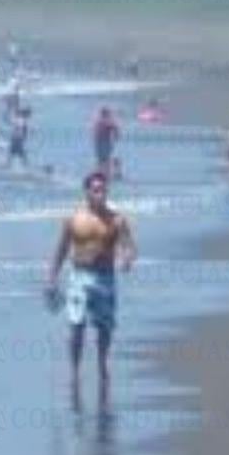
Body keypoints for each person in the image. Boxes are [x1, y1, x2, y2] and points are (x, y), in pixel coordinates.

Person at [46, 172, 136, 404]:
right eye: (95, 189)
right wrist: (52, 278)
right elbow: (61, 249)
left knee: (104, 327)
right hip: (79, 276)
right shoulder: (74, 218)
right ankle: (75, 372)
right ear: (86, 191)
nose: (100, 193)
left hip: (105, 278)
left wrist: (127, 258)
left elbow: (129, 245)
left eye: (103, 189)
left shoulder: (116, 220)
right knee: (77, 326)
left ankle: (102, 364)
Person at [91, 106, 120, 180]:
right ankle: (106, 174)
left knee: (104, 160)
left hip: (104, 142)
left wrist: (116, 136)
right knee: (102, 160)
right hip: (101, 142)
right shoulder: (102, 121)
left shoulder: (104, 121)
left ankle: (108, 174)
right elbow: (115, 129)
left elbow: (115, 129)